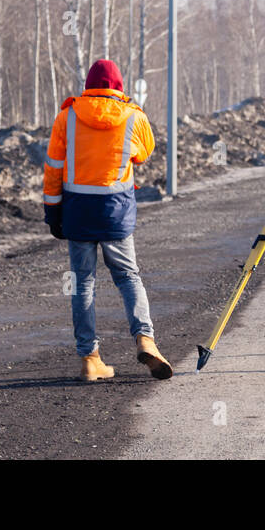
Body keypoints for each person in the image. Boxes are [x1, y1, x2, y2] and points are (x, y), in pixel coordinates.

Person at [42, 59, 173, 382]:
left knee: (82, 282)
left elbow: (53, 169)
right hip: (115, 212)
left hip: (77, 212)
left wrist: (52, 213)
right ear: (118, 87)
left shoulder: (67, 117)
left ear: (89, 85)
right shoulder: (134, 117)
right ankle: (145, 340)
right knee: (128, 276)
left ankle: (90, 357)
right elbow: (144, 153)